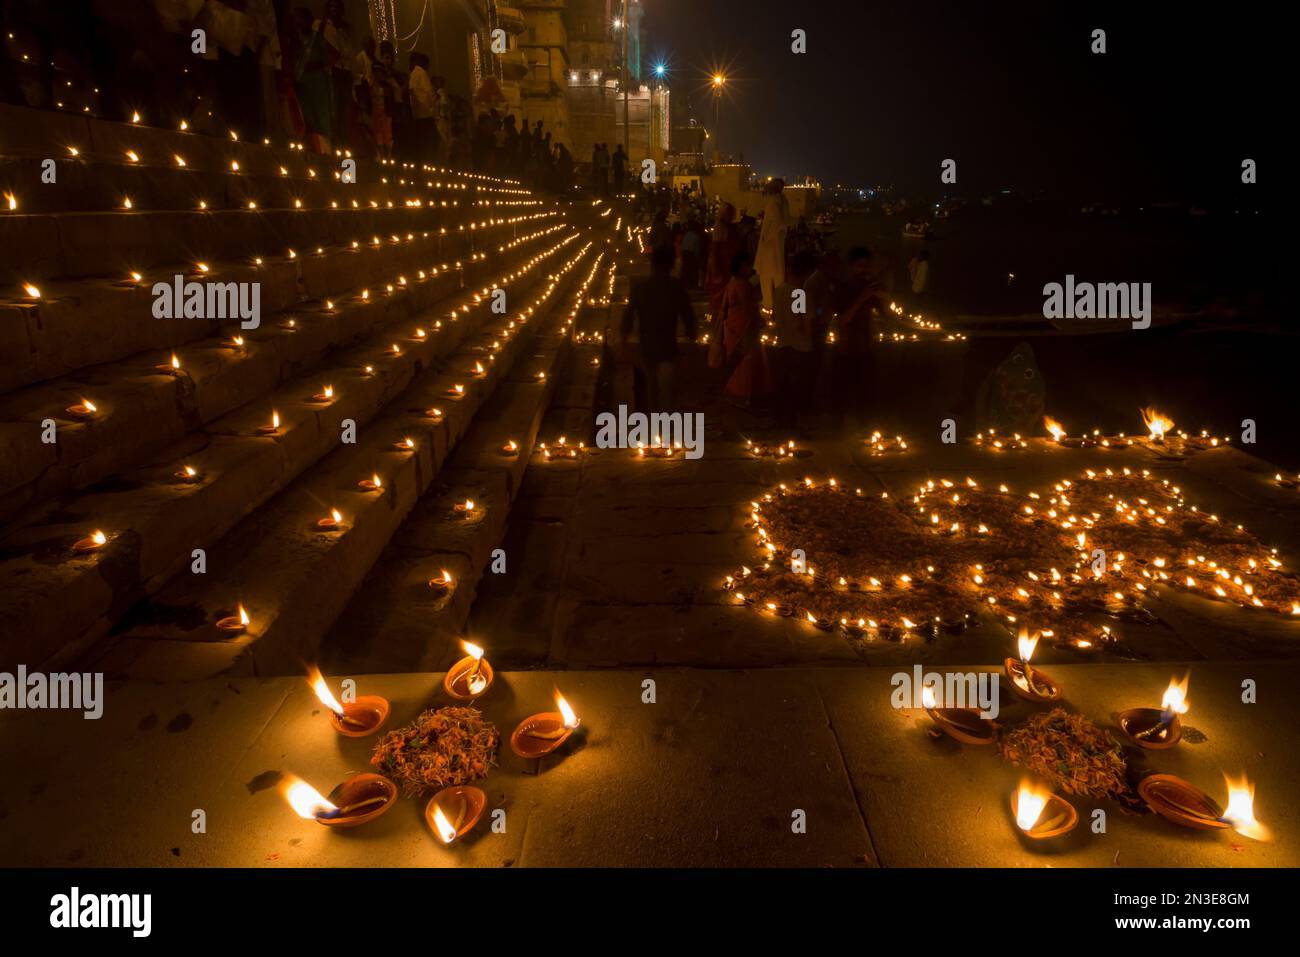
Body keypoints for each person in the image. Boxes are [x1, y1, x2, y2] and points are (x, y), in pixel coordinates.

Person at [620, 245, 697, 414]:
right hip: (667, 348)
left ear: (652, 265)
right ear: (671, 266)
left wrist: (623, 339)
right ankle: (662, 425)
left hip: (647, 346)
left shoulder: (640, 288)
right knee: (666, 391)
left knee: (650, 388)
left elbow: (628, 316)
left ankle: (653, 423)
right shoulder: (676, 287)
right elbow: (688, 315)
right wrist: (692, 337)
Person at [831, 247, 885, 434]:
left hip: (866, 347)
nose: (865, 270)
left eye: (867, 266)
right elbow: (842, 320)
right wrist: (861, 300)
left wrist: (883, 297)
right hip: (846, 348)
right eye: (861, 266)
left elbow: (886, 316)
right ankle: (838, 431)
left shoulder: (869, 287)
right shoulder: (843, 287)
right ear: (851, 266)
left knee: (867, 394)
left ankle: (863, 430)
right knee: (842, 394)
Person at [771, 251, 819, 434]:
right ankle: (791, 423)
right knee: (796, 388)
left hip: (783, 344)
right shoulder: (799, 294)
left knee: (783, 386)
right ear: (806, 273)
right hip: (799, 346)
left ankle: (779, 420)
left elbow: (777, 317)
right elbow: (804, 322)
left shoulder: (780, 290)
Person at [719, 250, 768, 409]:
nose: (750, 267)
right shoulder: (742, 285)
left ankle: (738, 394)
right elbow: (748, 308)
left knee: (739, 362)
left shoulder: (733, 282)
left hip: (734, 326)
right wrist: (759, 321)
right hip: (743, 328)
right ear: (741, 266)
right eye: (747, 264)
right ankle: (742, 395)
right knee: (745, 363)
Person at [755, 178, 790, 310]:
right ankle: (777, 304)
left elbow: (777, 223)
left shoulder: (774, 203)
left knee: (767, 275)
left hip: (770, 246)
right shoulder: (782, 202)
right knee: (777, 273)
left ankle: (769, 305)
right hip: (775, 244)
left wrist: (766, 239)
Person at [705, 202, 739, 323]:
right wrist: (715, 271)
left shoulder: (730, 227)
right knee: (719, 295)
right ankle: (716, 321)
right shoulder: (719, 227)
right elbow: (714, 250)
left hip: (729, 266)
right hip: (721, 267)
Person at [407, 52, 436, 165]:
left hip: (420, 115)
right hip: (424, 115)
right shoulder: (420, 72)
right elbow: (428, 93)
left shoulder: (416, 73)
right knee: (427, 146)